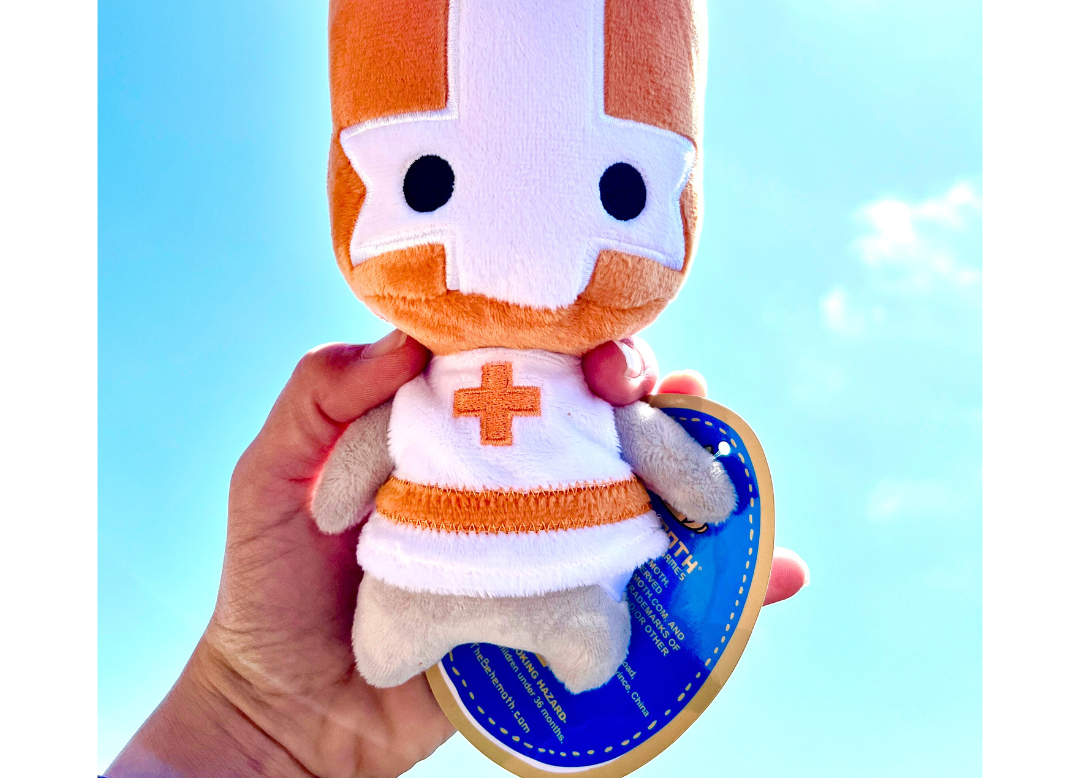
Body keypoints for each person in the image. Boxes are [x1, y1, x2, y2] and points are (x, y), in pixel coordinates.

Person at [106, 332, 809, 778]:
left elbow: (673, 463)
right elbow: (344, 486)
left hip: (557, 579)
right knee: (402, 640)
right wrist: (253, 716)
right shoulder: (422, 387)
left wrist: (256, 728)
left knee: (587, 638)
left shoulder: (588, 393)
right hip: (420, 575)